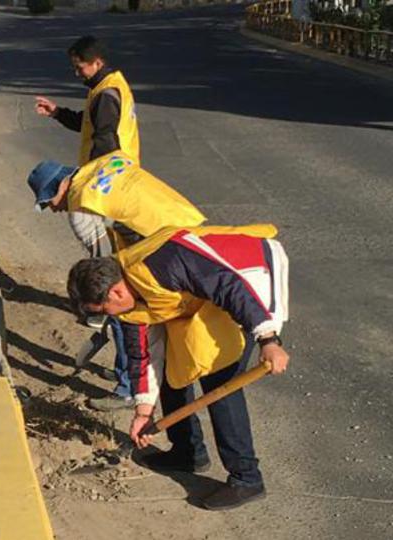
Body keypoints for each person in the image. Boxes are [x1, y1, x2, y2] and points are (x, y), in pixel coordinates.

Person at [66, 224, 291, 510]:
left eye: (102, 311)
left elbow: (228, 286)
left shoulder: (167, 263)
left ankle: (247, 478)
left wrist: (268, 339)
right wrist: (143, 411)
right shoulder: (130, 302)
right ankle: (187, 452)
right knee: (175, 363)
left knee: (219, 377)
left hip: (249, 275)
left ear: (118, 292)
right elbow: (147, 356)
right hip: (201, 294)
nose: (105, 318)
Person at [27, 151, 206, 410]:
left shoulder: (83, 204)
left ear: (63, 183)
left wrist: (103, 302)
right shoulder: (97, 171)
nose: (52, 208)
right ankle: (136, 386)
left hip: (168, 249)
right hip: (186, 223)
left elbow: (104, 264)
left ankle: (129, 390)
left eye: (49, 201)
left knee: (136, 328)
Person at [35, 36, 139, 166]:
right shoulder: (109, 84)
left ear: (97, 63)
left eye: (80, 67)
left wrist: (90, 178)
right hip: (121, 168)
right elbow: (87, 122)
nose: (77, 73)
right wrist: (57, 112)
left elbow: (106, 142)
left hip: (113, 172)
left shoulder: (106, 95)